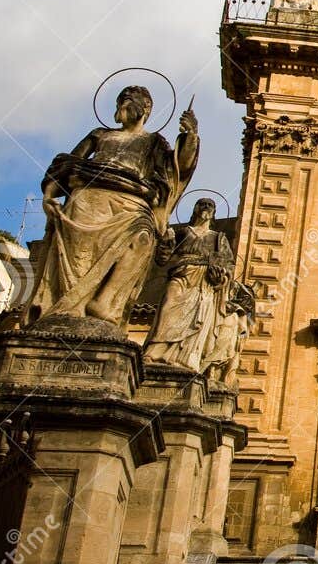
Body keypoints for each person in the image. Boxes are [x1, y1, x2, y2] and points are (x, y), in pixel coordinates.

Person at [31, 86, 198, 326]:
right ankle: (66, 309)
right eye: (121, 102)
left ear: (146, 108)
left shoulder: (153, 142)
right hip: (88, 199)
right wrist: (49, 196)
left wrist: (190, 136)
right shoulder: (100, 135)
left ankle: (105, 302)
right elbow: (66, 164)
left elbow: (177, 170)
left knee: (142, 239)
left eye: (130, 102)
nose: (123, 107)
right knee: (79, 258)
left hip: (132, 204)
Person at [145, 198, 233, 370]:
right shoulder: (182, 232)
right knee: (168, 307)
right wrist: (166, 242)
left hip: (204, 282)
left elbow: (227, 265)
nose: (206, 208)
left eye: (210, 205)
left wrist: (220, 276)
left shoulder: (218, 238)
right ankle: (155, 352)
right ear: (195, 209)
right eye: (202, 204)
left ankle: (185, 358)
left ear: (214, 212)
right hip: (181, 275)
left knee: (195, 320)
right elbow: (162, 259)